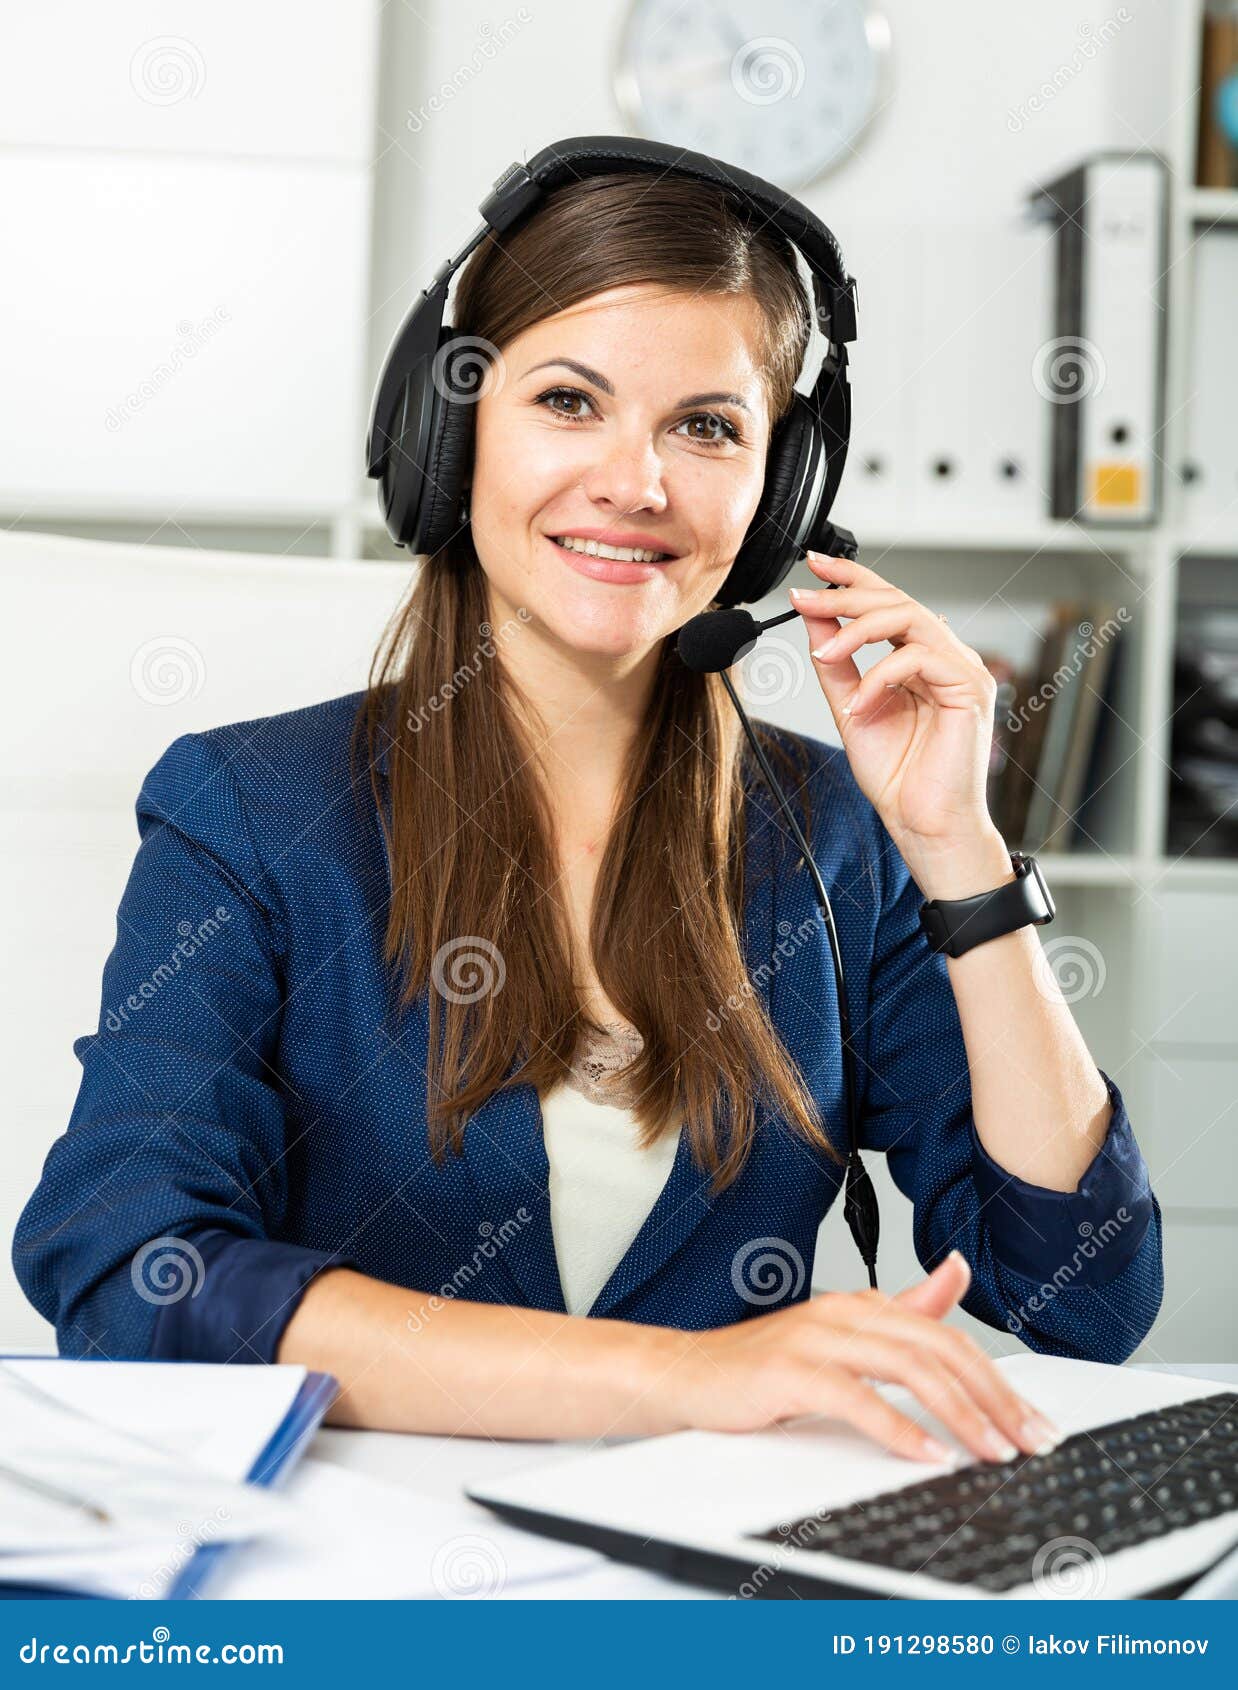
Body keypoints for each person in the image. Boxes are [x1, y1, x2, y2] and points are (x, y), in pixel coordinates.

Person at [13, 168, 1162, 1468]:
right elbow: (127, 1268)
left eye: (708, 427)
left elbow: (1081, 1299)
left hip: (721, 1574)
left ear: (780, 489)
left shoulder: (839, 835)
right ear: (450, 439)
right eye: (569, 400)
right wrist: (682, 1376)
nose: (636, 482)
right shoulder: (254, 810)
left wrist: (961, 850)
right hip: (365, 1570)